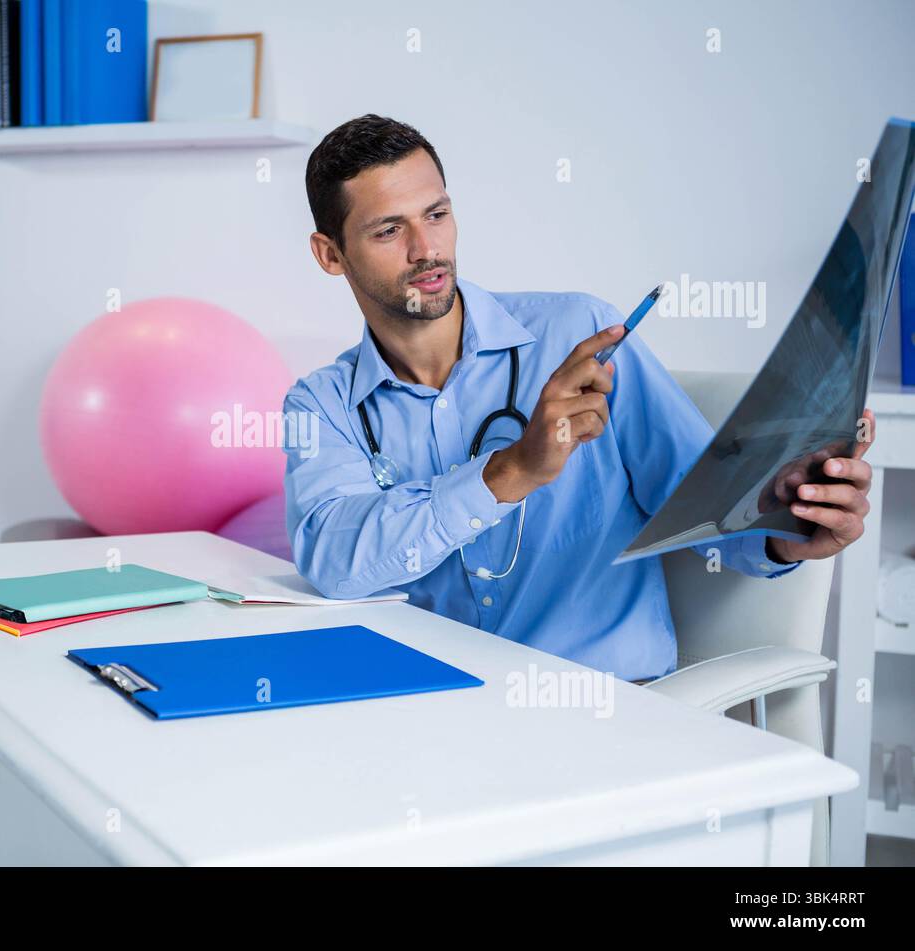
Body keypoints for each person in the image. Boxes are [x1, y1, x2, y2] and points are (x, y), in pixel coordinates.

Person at [282, 114, 875, 681]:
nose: (425, 249)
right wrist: (511, 471)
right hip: (441, 718)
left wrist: (788, 524)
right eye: (389, 230)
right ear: (329, 254)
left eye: (436, 214)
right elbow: (339, 566)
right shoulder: (322, 405)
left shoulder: (579, 336)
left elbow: (705, 504)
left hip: (607, 710)